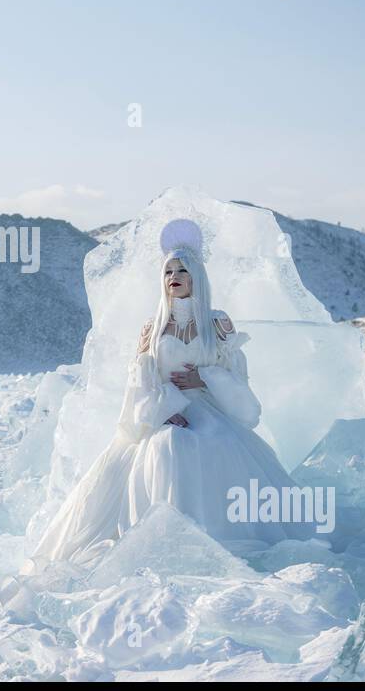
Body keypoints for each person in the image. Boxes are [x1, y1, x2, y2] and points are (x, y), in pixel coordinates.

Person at [30, 219, 311, 568]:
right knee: (167, 447)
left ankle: (212, 542)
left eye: (182, 269)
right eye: (167, 271)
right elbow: (142, 379)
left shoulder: (218, 322)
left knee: (216, 443)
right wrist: (163, 411)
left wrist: (203, 380)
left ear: (197, 277)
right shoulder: (153, 326)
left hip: (211, 409)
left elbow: (236, 375)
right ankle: (163, 541)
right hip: (163, 411)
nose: (173, 276)